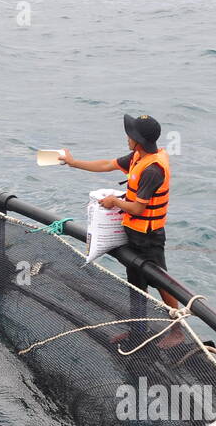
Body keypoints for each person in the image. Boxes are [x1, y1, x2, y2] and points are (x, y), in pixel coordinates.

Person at [58, 114, 182, 348]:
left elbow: (137, 207)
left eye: (130, 134)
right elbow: (107, 164)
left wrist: (114, 202)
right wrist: (73, 163)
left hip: (149, 236)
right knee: (136, 282)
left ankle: (178, 330)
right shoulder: (138, 156)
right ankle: (137, 330)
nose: (127, 137)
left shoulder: (153, 169)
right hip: (133, 234)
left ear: (138, 140)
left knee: (162, 283)